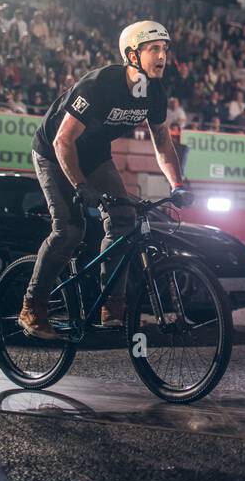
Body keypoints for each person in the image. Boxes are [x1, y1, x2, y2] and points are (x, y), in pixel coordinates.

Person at [18, 21, 192, 338]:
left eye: (165, 49)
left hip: (95, 153)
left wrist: (177, 185)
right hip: (54, 151)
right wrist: (81, 187)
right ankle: (33, 303)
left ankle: (113, 305)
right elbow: (62, 142)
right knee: (70, 229)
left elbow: (163, 144)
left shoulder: (154, 92)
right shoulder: (99, 85)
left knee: (124, 220)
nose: (162, 55)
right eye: (154, 48)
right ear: (132, 55)